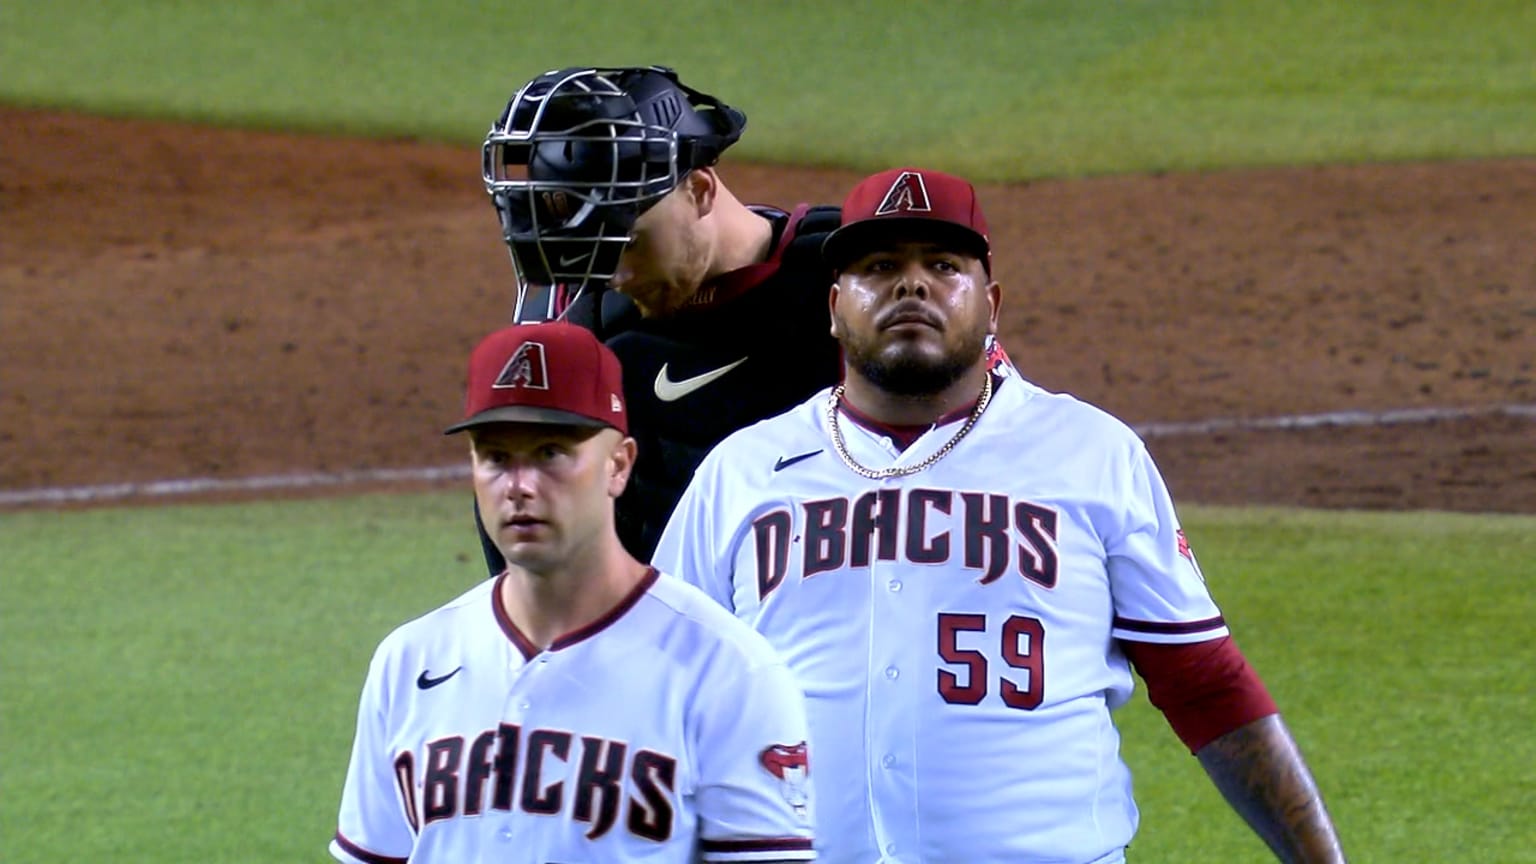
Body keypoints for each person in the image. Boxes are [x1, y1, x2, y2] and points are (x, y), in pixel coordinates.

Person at [653, 167, 1347, 863]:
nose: (911, 284)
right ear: (834, 307)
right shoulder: (740, 472)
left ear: (992, 304)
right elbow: (654, 688)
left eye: (944, 265)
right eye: (879, 267)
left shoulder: (1090, 454)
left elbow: (1203, 681)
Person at [329, 322, 817, 864]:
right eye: (495, 456)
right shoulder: (410, 661)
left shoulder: (727, 670)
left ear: (619, 465)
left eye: (550, 452)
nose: (519, 485)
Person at [476, 65, 845, 565]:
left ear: (699, 191)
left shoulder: (848, 285)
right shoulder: (571, 313)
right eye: (584, 247)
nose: (613, 277)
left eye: (628, 242)